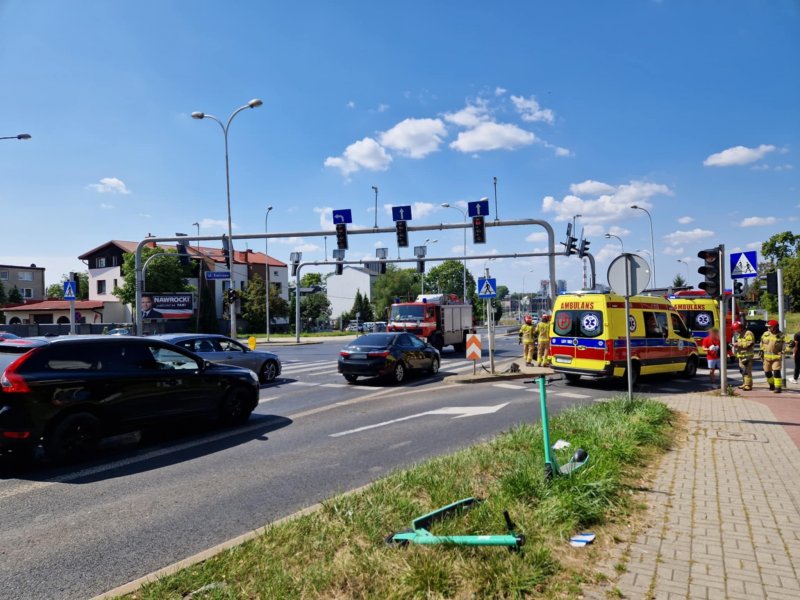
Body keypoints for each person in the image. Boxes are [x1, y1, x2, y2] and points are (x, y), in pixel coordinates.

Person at [761, 319, 786, 393]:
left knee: (776, 372)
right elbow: (762, 343)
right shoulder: (765, 334)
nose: (768, 328)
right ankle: (772, 384)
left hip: (776, 357)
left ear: (775, 327)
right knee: (767, 373)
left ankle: (778, 387)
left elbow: (791, 343)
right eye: (768, 327)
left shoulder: (782, 335)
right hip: (766, 358)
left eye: (770, 327)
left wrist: (784, 351)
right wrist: (761, 350)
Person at [732, 321, 755, 391]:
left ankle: (748, 385)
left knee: (747, 371)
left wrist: (738, 344)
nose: (736, 331)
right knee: (742, 370)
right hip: (741, 355)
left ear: (741, 327)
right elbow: (740, 342)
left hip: (747, 355)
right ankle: (745, 383)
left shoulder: (748, 333)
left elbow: (750, 343)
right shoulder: (740, 334)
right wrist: (735, 344)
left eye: (736, 329)